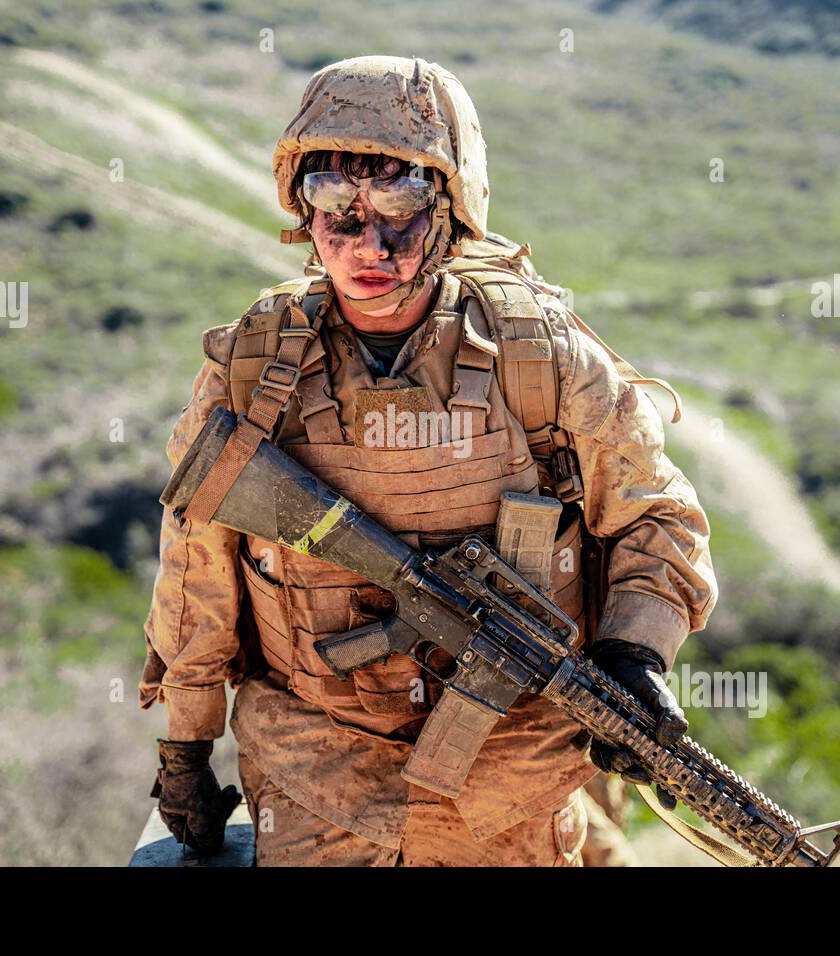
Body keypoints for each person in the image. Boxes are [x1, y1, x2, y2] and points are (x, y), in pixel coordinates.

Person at [139, 55, 717, 866]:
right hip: (318, 770)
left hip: (512, 775)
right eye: (334, 202)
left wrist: (636, 653)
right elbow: (198, 563)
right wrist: (186, 748)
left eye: (401, 203)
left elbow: (656, 516)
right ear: (300, 209)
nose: (364, 240)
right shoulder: (254, 365)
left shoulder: (537, 355)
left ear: (451, 210)